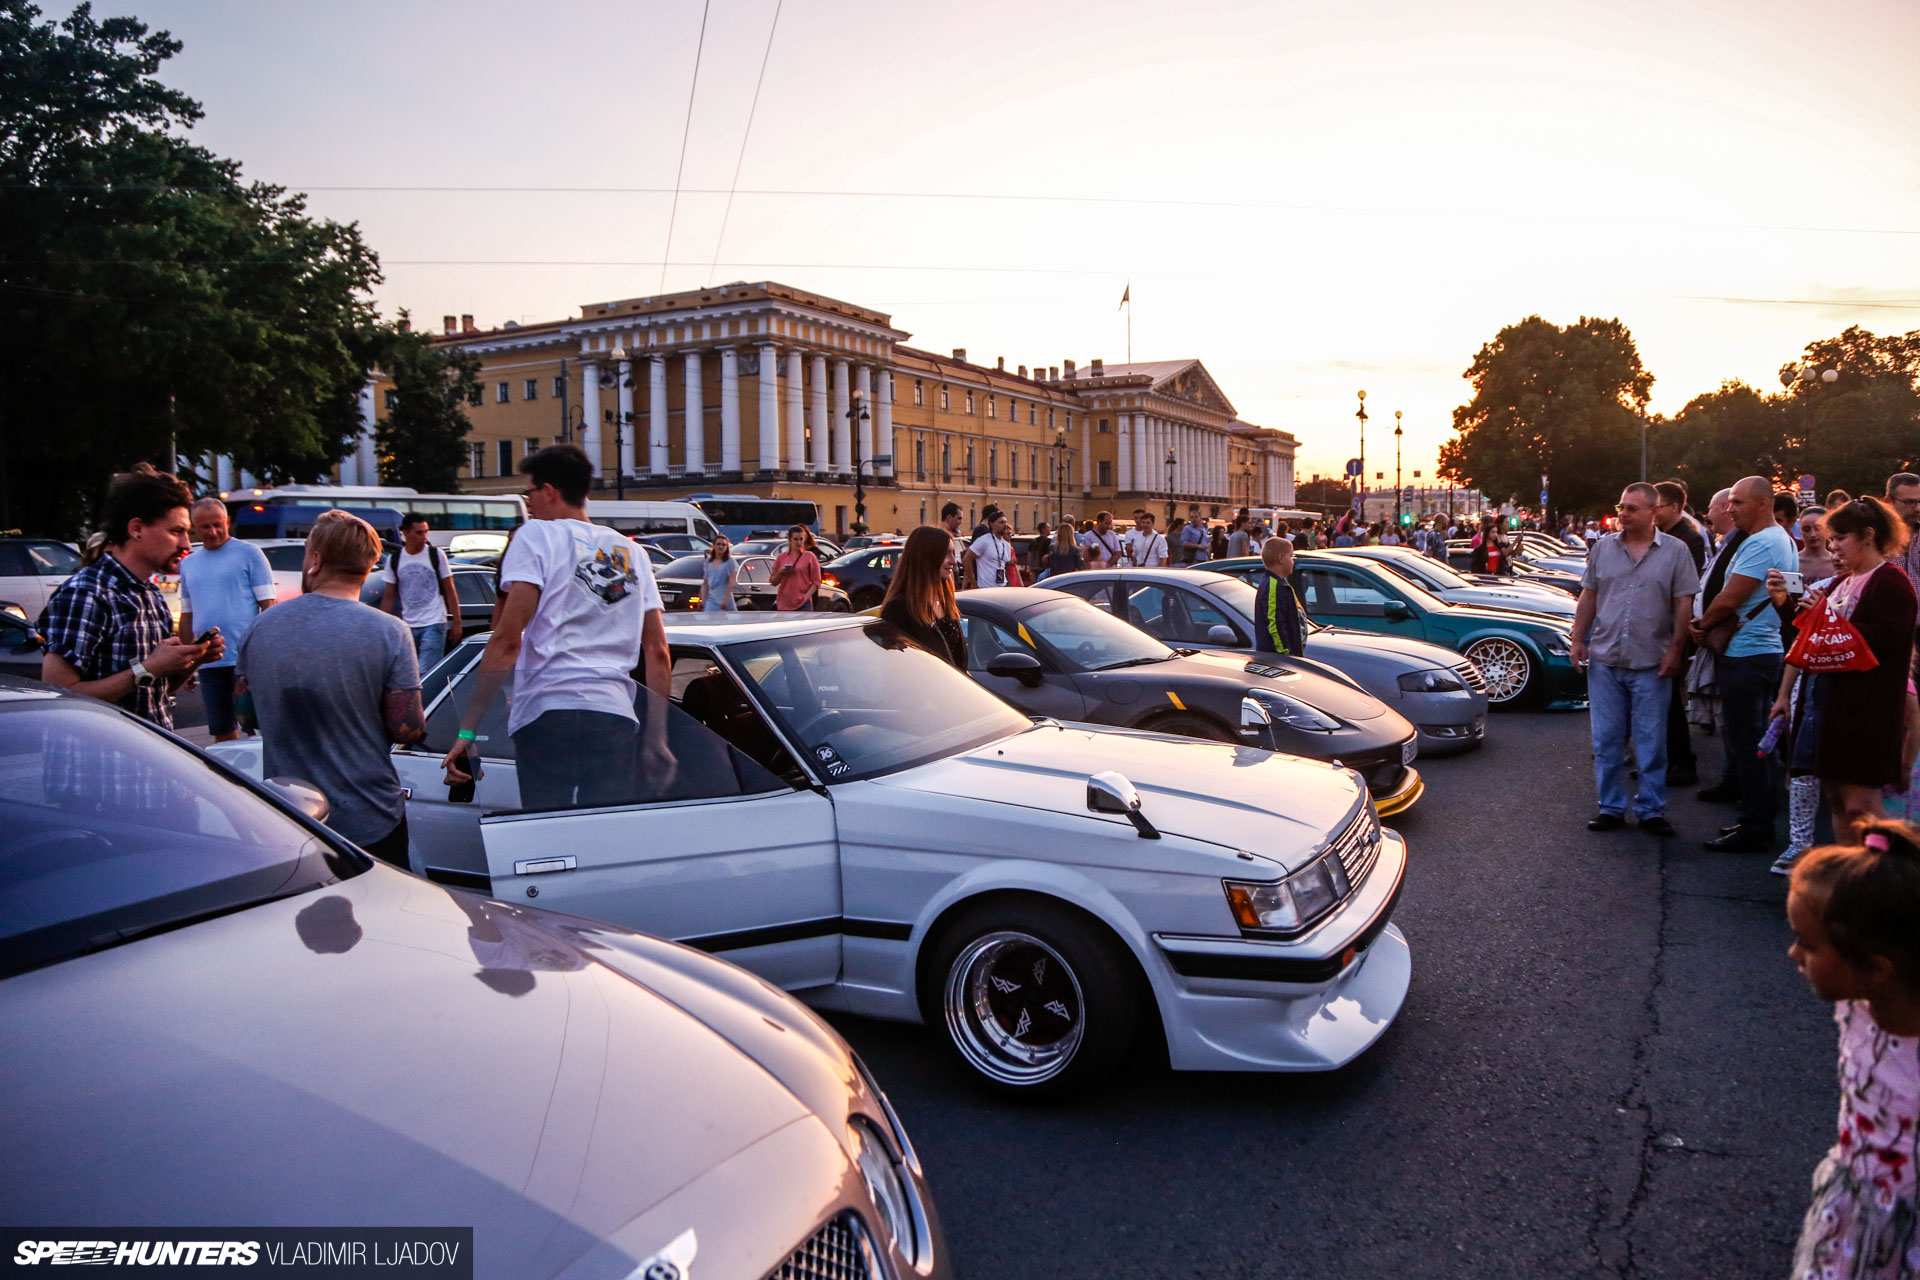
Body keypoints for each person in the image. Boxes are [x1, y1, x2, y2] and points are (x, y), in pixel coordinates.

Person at [441, 444, 671, 813]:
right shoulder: (633, 553)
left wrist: (468, 731)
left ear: (549, 491)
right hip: (613, 716)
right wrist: (656, 738)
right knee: (602, 833)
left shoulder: (536, 536)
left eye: (529, 493)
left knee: (548, 831)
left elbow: (506, 641)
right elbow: (657, 651)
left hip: (548, 712)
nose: (528, 504)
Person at [236, 510, 423, 867]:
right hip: (370, 816)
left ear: (316, 561)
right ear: (367, 566)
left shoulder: (261, 627)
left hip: (292, 818)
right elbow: (407, 728)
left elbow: (246, 716)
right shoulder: (390, 632)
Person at [1783, 821, 1920, 1278]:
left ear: (1876, 969)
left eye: (1808, 944)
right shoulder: (1857, 1001)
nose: (1793, 954)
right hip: (1853, 1204)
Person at [1770, 497, 1918, 845]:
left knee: (1861, 807)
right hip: (1829, 707)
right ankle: (1851, 870)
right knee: (1838, 802)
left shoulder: (1890, 581)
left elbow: (1884, 642)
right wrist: (1783, 602)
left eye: (1840, 538)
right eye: (1831, 539)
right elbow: (1809, 638)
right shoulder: (1843, 582)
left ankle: (1891, 872)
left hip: (1864, 712)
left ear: (1868, 535)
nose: (1832, 547)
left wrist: (1825, 616)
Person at [38, 463, 220, 729]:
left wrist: (192, 660)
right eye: (176, 531)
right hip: (101, 752)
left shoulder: (150, 594)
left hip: (150, 748)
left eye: (187, 533)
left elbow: (152, 690)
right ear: (136, 529)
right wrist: (150, 668)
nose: (185, 544)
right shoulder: (86, 593)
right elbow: (60, 695)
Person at [1570, 483, 1699, 837]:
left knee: (1651, 741)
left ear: (1653, 512)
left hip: (1651, 661)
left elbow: (1683, 604)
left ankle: (1651, 809)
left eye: (1632, 508)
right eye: (1621, 507)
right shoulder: (1603, 548)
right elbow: (1589, 595)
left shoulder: (1675, 551)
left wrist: (1675, 651)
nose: (1623, 514)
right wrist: (1578, 639)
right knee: (1607, 740)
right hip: (1606, 659)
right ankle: (1610, 807)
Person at [1691, 475, 1800, 852]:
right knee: (1753, 740)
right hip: (1760, 650)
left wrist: (1702, 625)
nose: (1729, 508)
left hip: (1747, 653)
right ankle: (1754, 818)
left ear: (1763, 503)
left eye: (1737, 501)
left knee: (1748, 743)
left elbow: (1731, 597)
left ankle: (1756, 827)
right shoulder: (1780, 539)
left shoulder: (1762, 542)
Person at [178, 496, 274, 742]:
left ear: (227, 522)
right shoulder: (188, 564)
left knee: (259, 729)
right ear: (194, 527)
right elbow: (187, 615)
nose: (212, 531)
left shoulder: (249, 554)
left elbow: (268, 607)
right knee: (222, 730)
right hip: (209, 661)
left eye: (217, 524)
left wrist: (265, 652)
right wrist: (186, 663)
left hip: (245, 660)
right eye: (205, 526)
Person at [376, 512, 463, 674]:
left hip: (434, 621)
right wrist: (380, 624)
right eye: (419, 532)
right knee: (408, 672)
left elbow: (450, 589)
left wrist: (457, 621)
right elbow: (389, 596)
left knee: (425, 671)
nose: (424, 537)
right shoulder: (395, 560)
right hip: (408, 625)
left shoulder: (435, 555)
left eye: (426, 532)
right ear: (406, 533)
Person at [879, 525, 965, 668]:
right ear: (926, 557)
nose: (953, 561)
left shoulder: (944, 602)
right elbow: (894, 666)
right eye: (946, 553)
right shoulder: (899, 609)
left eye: (953, 553)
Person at [1251, 537, 1305, 656]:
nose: (1293, 561)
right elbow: (1274, 625)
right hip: (1279, 660)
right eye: (1290, 556)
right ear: (1281, 558)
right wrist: (1286, 655)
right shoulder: (1273, 586)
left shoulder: (1281, 584)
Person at [771, 524, 822, 610]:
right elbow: (773, 582)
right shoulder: (781, 558)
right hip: (784, 602)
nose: (799, 542)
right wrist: (780, 571)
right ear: (790, 540)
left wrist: (806, 596)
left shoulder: (809, 556)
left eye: (801, 539)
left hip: (803, 603)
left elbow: (817, 581)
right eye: (795, 539)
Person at [964, 511, 1019, 588]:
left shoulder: (1006, 545)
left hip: (1003, 586)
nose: (1005, 525)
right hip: (986, 588)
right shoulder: (984, 540)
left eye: (1005, 522)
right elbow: (967, 559)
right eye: (1001, 522)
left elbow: (1005, 565)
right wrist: (973, 582)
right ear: (991, 524)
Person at [700, 535, 739, 612]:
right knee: (709, 618)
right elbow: (705, 584)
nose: (720, 547)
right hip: (712, 600)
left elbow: (732, 582)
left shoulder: (730, 561)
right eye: (718, 544)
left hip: (725, 600)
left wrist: (726, 600)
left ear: (726, 547)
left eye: (723, 545)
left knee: (730, 618)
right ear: (714, 546)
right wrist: (703, 601)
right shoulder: (709, 562)